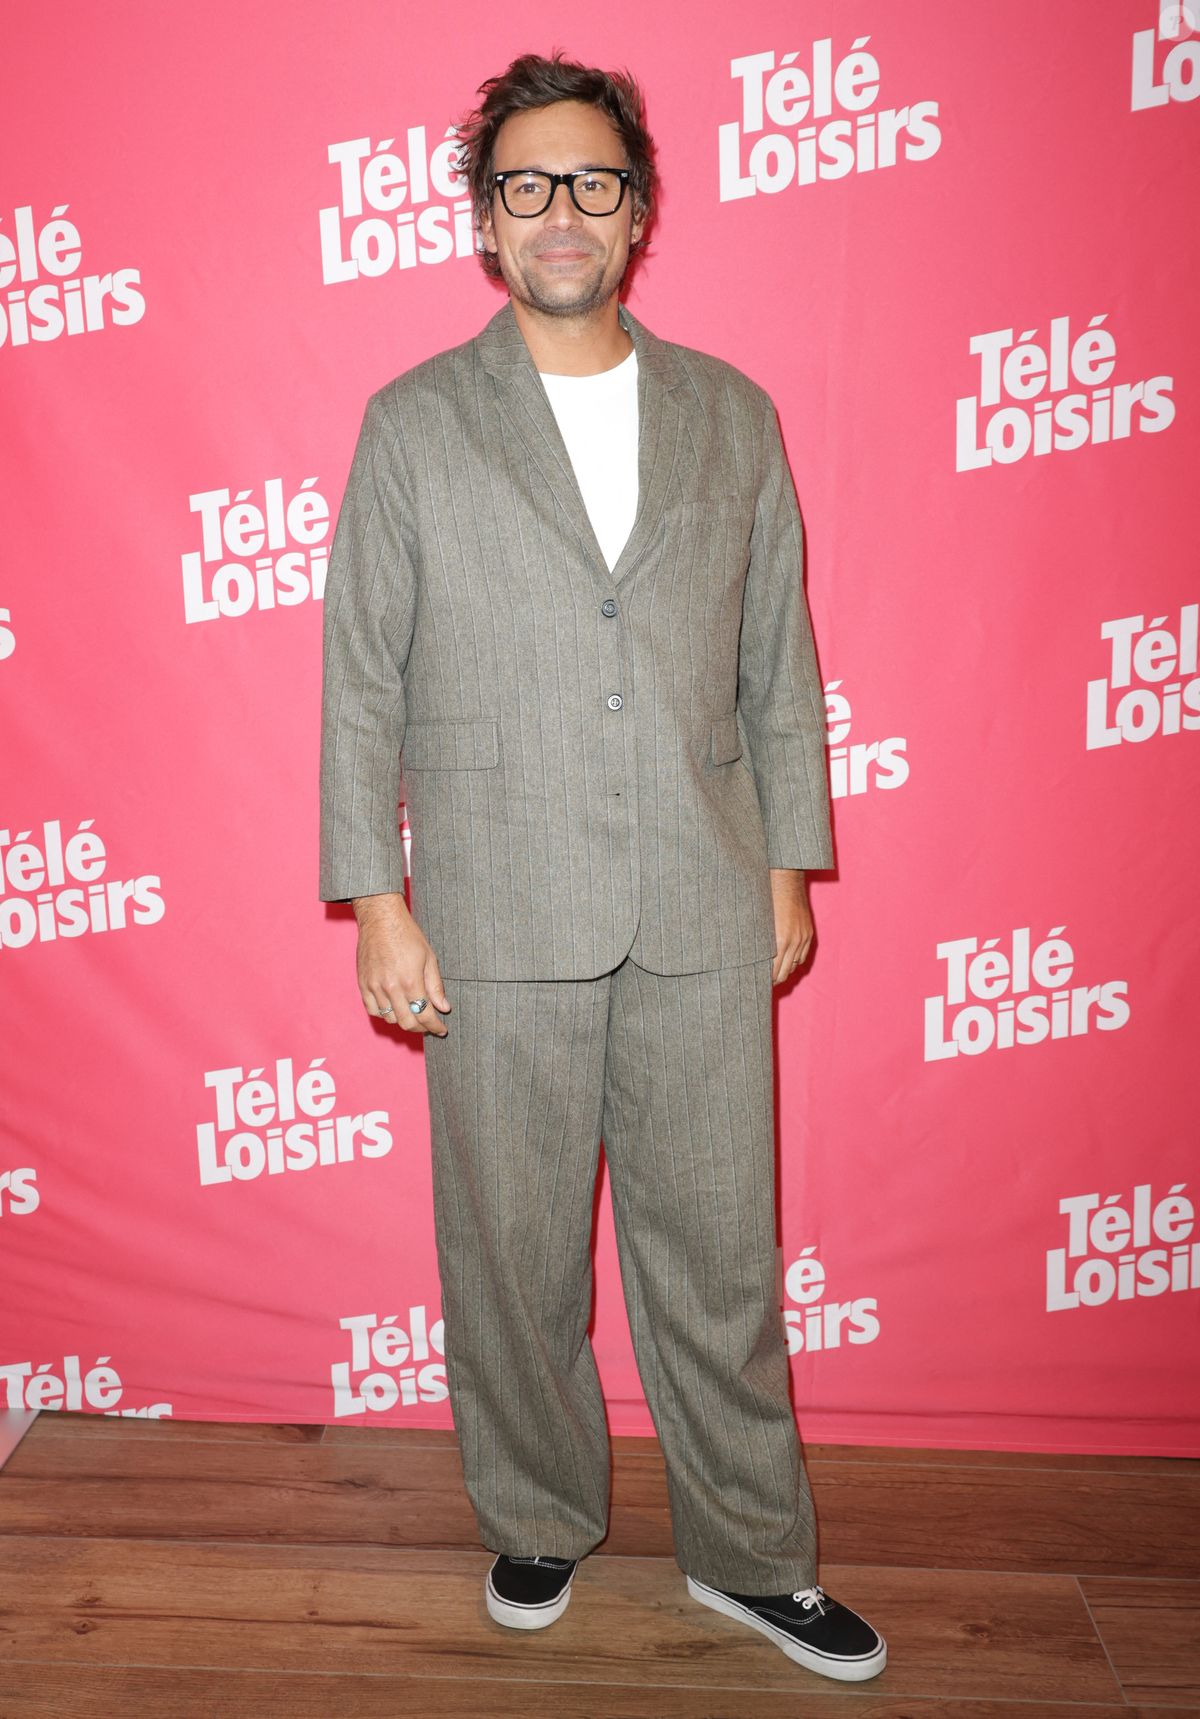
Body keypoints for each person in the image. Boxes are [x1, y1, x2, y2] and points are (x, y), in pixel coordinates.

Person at [319, 50, 886, 1686]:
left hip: (708, 898)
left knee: (716, 1250)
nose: (561, 211)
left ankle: (754, 1558)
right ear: (485, 225)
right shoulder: (416, 423)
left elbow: (777, 658)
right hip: (492, 906)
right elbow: (364, 671)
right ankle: (539, 1512)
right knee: (509, 1249)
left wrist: (789, 863)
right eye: (525, 185)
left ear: (639, 212)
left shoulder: (734, 411)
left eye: (592, 181)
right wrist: (377, 897)